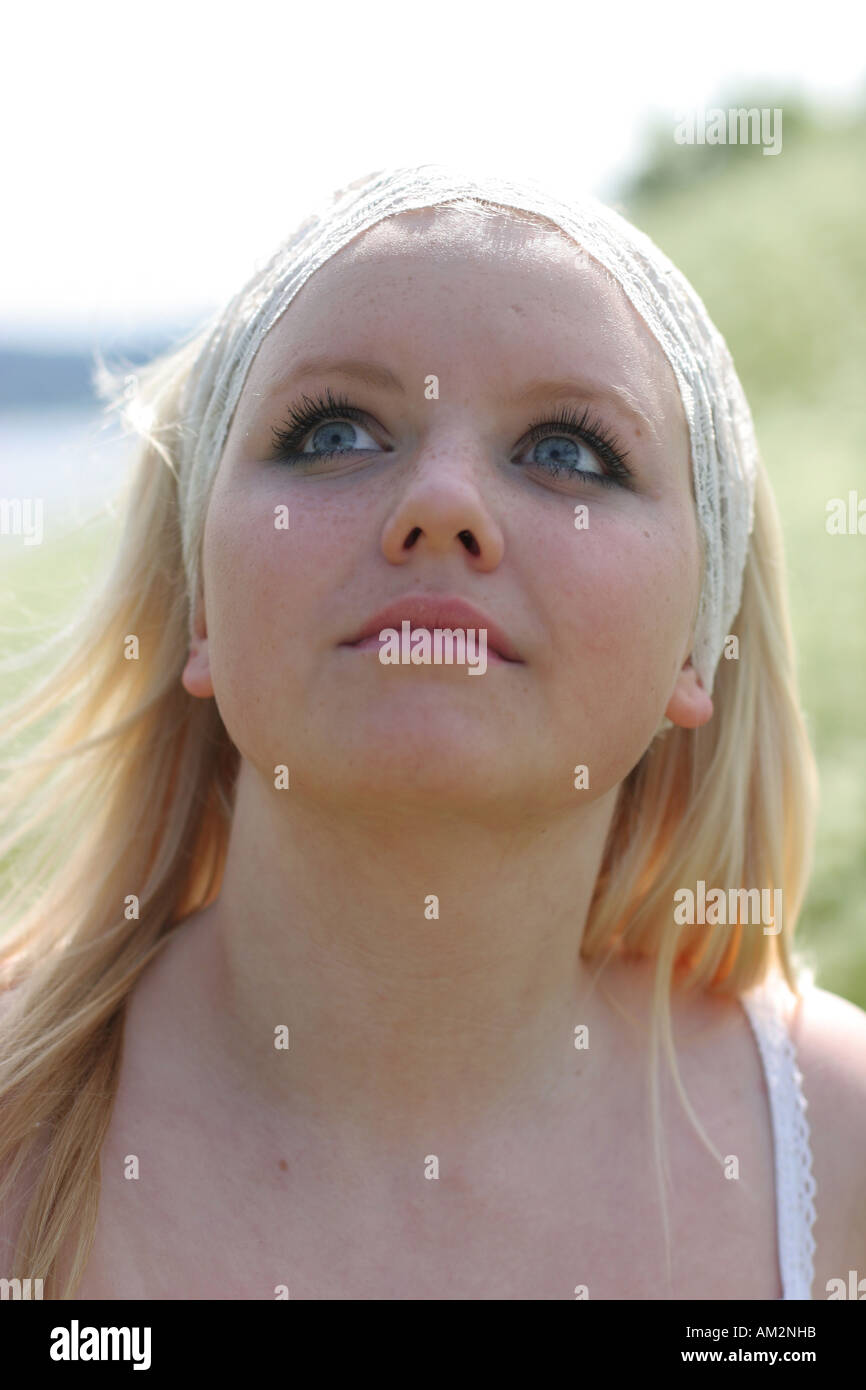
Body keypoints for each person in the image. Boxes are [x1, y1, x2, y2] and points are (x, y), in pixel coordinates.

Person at [1, 163, 864, 1301]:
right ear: (202, 607)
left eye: (567, 452)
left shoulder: (841, 1154)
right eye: (334, 431)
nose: (442, 501)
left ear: (697, 643)